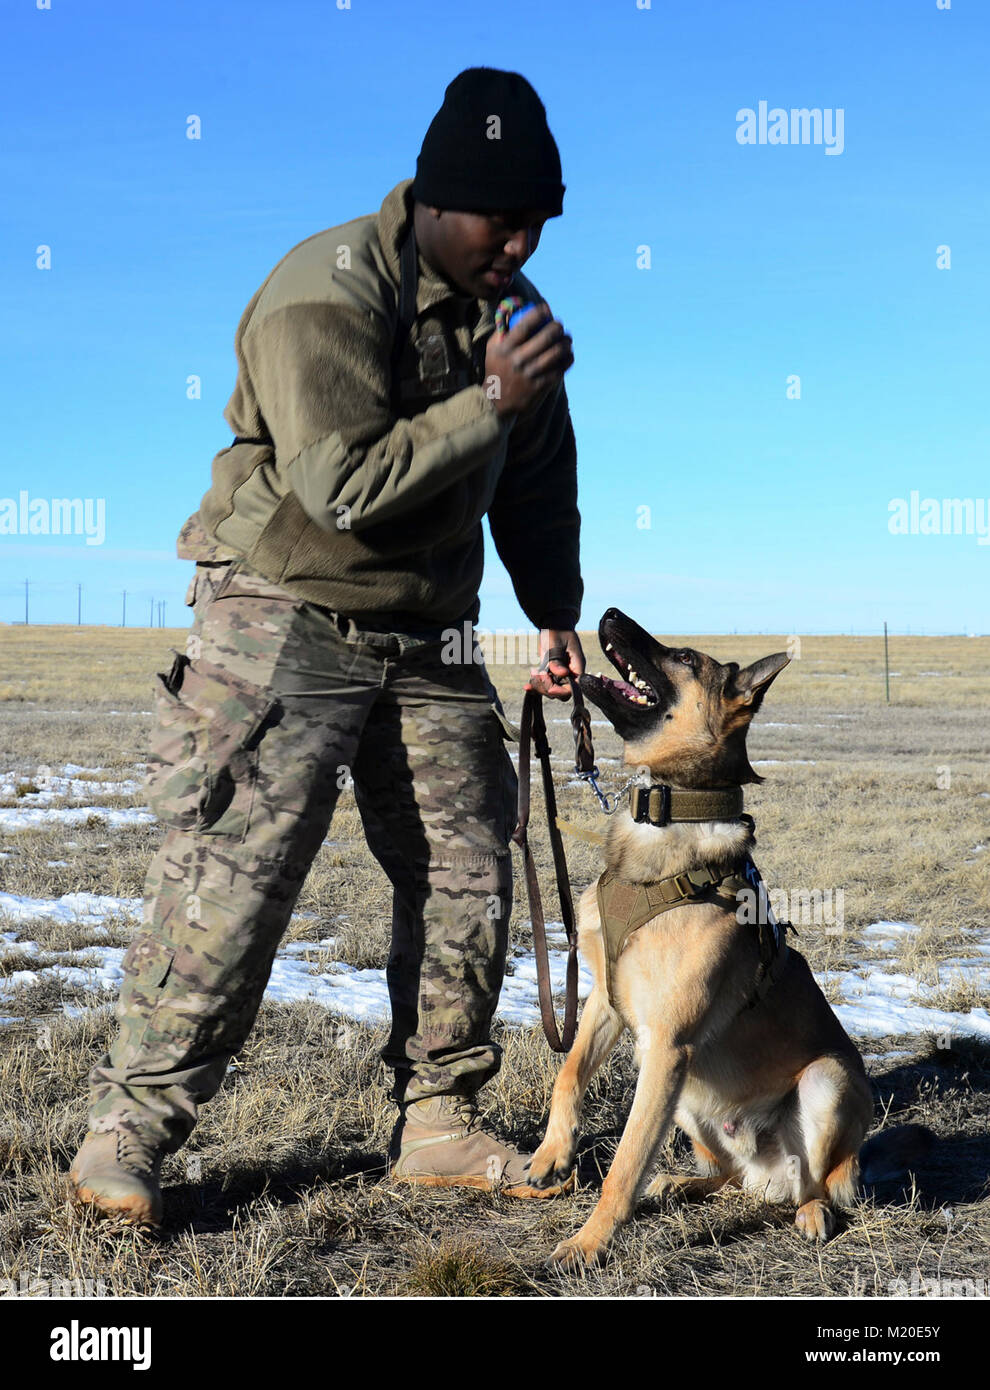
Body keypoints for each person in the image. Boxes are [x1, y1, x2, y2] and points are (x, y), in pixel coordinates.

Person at [68, 66, 584, 1226]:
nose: (525, 239)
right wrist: (487, 403)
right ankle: (128, 1139)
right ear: (440, 202)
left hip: (430, 628)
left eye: (541, 217)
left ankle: (440, 1118)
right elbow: (342, 485)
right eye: (505, 218)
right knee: (232, 884)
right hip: (284, 610)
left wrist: (553, 612)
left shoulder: (514, 323)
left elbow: (539, 487)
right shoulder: (326, 291)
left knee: (468, 869)